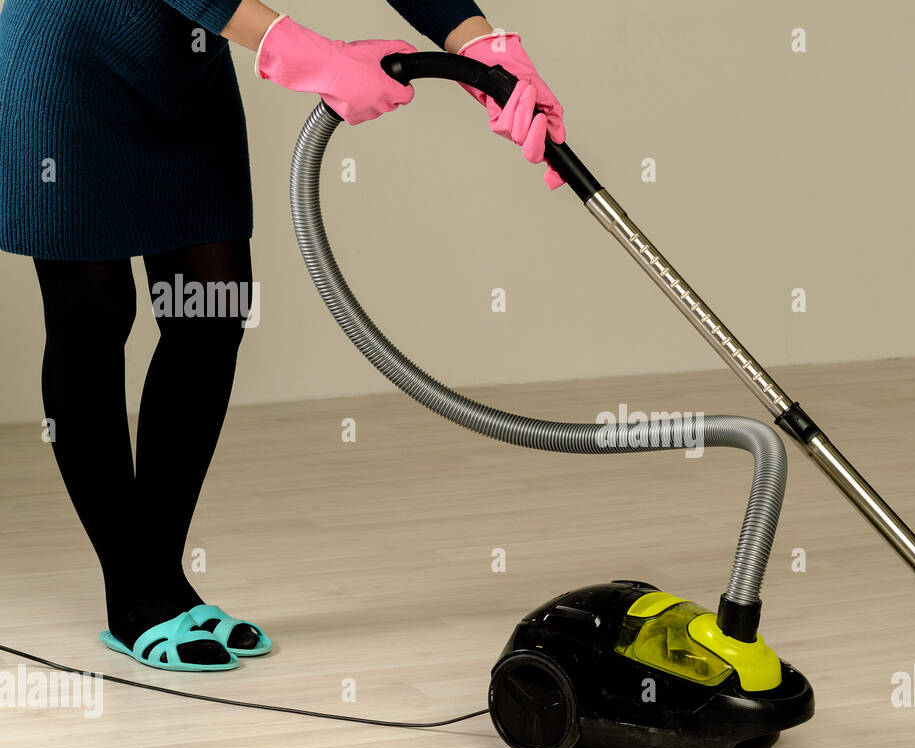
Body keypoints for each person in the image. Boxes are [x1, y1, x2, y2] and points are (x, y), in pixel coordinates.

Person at [0, 0, 566, 671]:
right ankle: (134, 594)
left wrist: (482, 46)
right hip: (71, 56)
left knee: (210, 311)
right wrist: (306, 54)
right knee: (92, 318)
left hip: (183, 64)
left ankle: (160, 581)